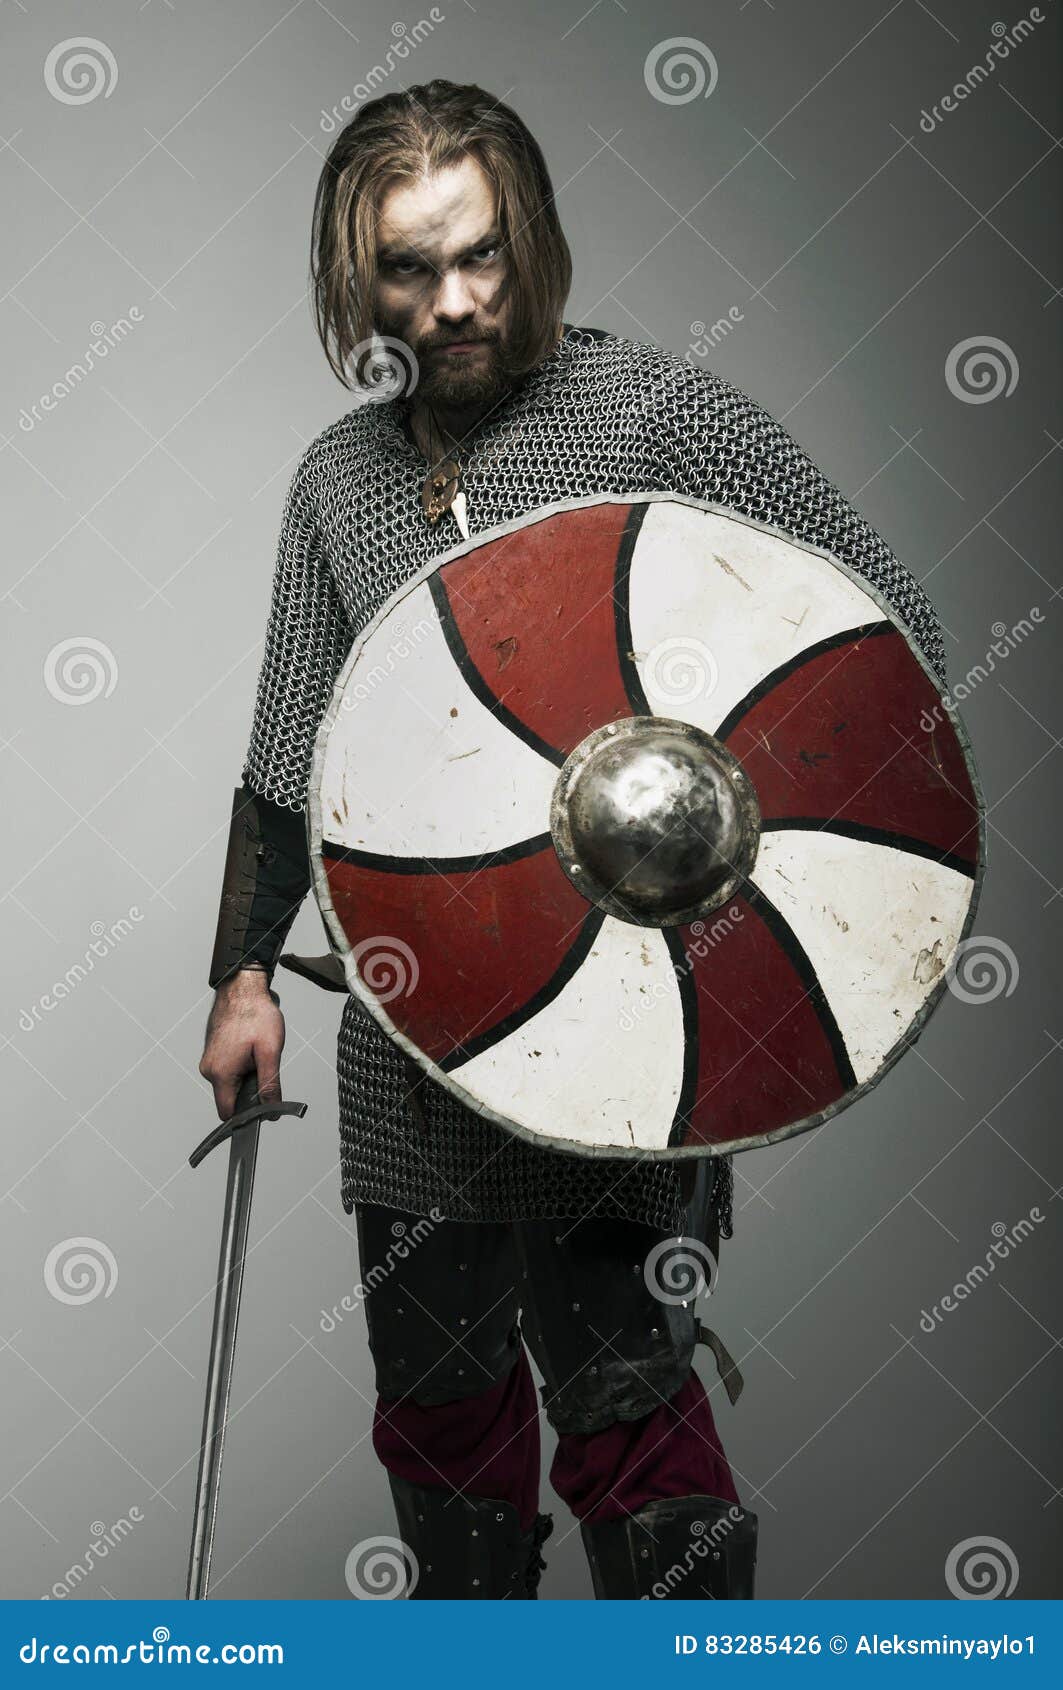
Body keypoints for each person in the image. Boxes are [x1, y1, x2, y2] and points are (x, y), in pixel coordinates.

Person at [199, 80, 946, 1600]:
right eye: (410, 269)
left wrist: (711, 872)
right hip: (416, 1041)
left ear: (529, 238)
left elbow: (880, 658)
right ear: (361, 279)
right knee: (444, 1443)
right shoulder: (339, 482)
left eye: (479, 254)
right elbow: (287, 762)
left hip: (628, 1029)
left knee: (632, 1421)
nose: (454, 300)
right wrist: (244, 979)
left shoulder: (656, 416)